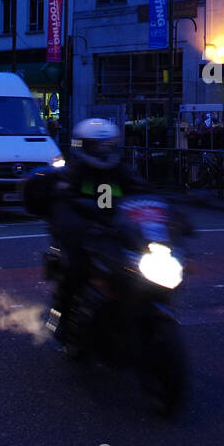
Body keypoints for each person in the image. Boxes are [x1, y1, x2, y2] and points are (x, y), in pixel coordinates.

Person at [27, 118, 148, 346]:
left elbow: (144, 194)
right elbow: (63, 206)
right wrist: (74, 226)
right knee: (75, 268)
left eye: (108, 145)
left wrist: (170, 218)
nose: (103, 152)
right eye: (97, 146)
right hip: (85, 235)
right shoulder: (74, 173)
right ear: (83, 147)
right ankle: (58, 318)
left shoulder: (121, 171)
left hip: (116, 234)